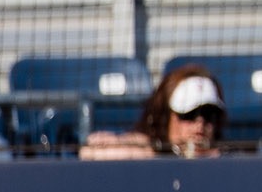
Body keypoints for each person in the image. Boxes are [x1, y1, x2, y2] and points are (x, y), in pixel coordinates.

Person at [80, 65, 226, 160]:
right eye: (188, 114)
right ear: (166, 117)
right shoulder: (145, 150)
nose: (200, 123)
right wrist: (154, 155)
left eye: (208, 114)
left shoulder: (227, 160)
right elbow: (88, 152)